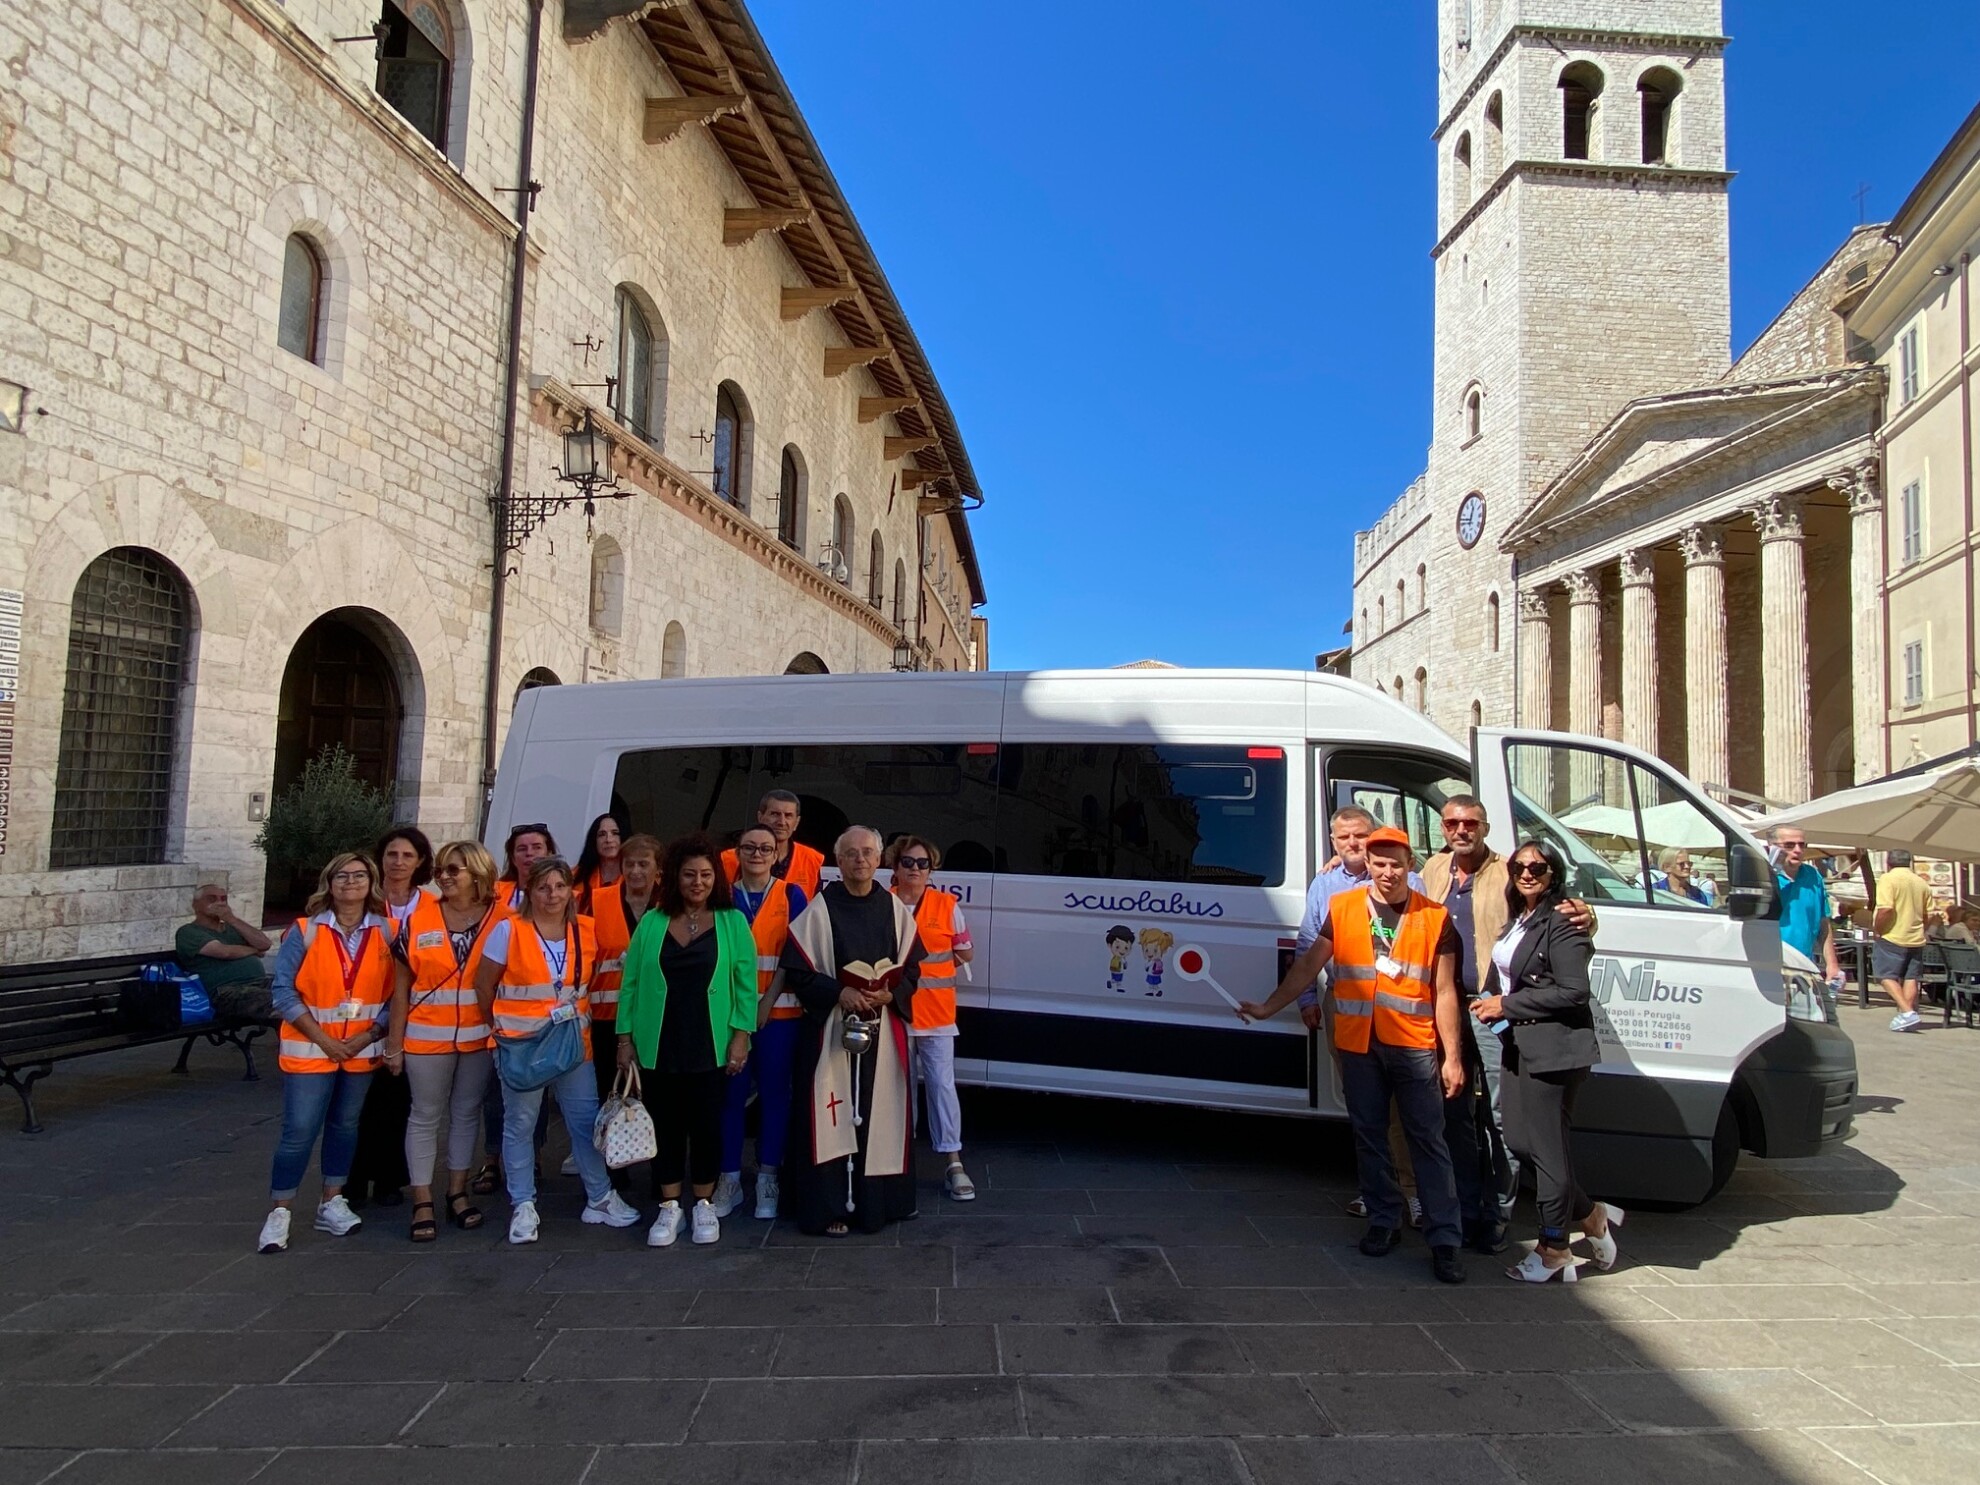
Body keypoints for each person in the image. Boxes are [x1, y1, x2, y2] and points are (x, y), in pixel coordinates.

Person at [1241, 826, 1468, 1285]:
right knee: (1370, 1136)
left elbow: (1445, 991)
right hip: (1359, 1041)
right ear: (1367, 862)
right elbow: (1308, 964)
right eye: (1379, 862)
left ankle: (1445, 1238)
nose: (1387, 872)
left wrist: (1453, 1056)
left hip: (1413, 1043)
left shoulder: (1434, 917)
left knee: (1428, 1141)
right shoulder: (1342, 908)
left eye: (1395, 863)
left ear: (1410, 864)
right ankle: (1384, 1221)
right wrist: (1269, 1007)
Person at [1418, 797, 1598, 1254]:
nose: (1461, 830)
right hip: (1444, 1006)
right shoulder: (1434, 870)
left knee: (1502, 1118)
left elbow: (1554, 913)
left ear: (1485, 827)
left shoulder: (1510, 870)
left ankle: (1497, 1213)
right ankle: (1463, 1210)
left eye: (1470, 823)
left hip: (1495, 1007)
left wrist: (1588, 916)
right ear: (1443, 828)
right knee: (1454, 1109)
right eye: (1452, 822)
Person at [1472, 840, 1622, 1283]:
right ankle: (1592, 1215)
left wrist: (1507, 1005)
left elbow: (1574, 991)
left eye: (1538, 867)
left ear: (1553, 872)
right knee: (1519, 1141)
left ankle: (1555, 1248)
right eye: (1519, 866)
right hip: (1521, 1045)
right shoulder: (1523, 917)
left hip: (1555, 1050)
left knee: (1548, 1152)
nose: (1527, 874)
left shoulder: (1564, 918)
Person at [473, 855, 641, 1244]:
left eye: (560, 886)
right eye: (543, 887)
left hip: (571, 1043)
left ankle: (599, 1197)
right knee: (520, 1124)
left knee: (584, 1122)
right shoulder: (508, 931)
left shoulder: (585, 930)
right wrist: (497, 1028)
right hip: (522, 1045)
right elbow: (484, 986)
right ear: (529, 891)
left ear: (571, 891)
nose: (552, 894)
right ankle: (523, 1205)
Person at [779, 826, 925, 1236]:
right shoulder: (819, 910)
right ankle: (829, 1208)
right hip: (830, 1031)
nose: (860, 860)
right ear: (837, 861)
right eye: (850, 854)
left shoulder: (895, 910)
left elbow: (912, 970)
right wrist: (838, 990)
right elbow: (799, 972)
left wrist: (890, 993)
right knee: (831, 1116)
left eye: (867, 853)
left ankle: (878, 1206)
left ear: (879, 860)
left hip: (881, 1032)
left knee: (881, 1116)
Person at [615, 833, 756, 1247]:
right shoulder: (653, 922)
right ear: (674, 877)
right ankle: (669, 1205)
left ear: (717, 878)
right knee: (666, 1125)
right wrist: (624, 1039)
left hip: (710, 1042)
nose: (698, 882)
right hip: (660, 1040)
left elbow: (745, 984)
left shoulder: (732, 922)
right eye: (690, 874)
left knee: (708, 1125)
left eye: (706, 875)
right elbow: (631, 984)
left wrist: (740, 1036)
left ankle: (705, 1204)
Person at [255, 852, 396, 1255]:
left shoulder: (388, 931)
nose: (350, 882)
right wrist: (325, 1040)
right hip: (311, 1050)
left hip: (360, 1049)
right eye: (342, 876)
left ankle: (331, 1200)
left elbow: (394, 995)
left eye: (359, 875)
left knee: (345, 1126)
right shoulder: (305, 931)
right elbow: (283, 991)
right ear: (328, 883)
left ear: (371, 882)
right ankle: (280, 1210)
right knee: (298, 1131)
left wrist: (368, 1033)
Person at [1294, 806, 1424, 1225]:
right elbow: (1309, 942)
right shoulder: (1326, 883)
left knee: (1403, 1107)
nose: (1352, 843)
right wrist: (1306, 1000)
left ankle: (1412, 1191)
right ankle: (1378, 1191)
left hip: (1400, 1008)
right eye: (1343, 838)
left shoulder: (1408, 879)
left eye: (1360, 836)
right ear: (1333, 842)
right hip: (1345, 1005)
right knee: (1364, 1105)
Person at [385, 839, 503, 1241]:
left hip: (478, 1037)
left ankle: (457, 1191)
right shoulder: (418, 919)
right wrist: (393, 1044)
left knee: (467, 1113)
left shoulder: (503, 919)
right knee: (424, 1116)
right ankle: (421, 1197)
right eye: (440, 870)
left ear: (478, 874)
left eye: (454, 870)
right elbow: (400, 989)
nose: (444, 877)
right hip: (425, 1036)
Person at [715, 823, 810, 1221]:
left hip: (780, 1014)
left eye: (766, 849)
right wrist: (741, 1012)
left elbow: (796, 954)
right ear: (737, 853)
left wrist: (766, 1003)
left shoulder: (792, 894)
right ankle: (730, 1178)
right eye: (749, 847)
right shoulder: (722, 897)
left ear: (776, 855)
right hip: (729, 1016)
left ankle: (768, 1175)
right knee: (730, 1098)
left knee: (775, 1095)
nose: (757, 854)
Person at [886, 834, 977, 1201]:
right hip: (893, 1010)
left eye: (923, 863)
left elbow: (965, 953)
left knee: (941, 1086)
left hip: (936, 1014)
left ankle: (953, 1162)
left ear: (932, 868)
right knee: (896, 1088)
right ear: (895, 867)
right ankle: (897, 1159)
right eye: (908, 862)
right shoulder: (882, 904)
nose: (915, 869)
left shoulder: (946, 905)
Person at [346, 825, 433, 1210]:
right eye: (391, 855)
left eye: (407, 856)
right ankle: (350, 1180)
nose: (398, 863)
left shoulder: (431, 906)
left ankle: (387, 1180)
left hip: (410, 1015)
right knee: (355, 1104)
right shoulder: (363, 899)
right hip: (360, 1013)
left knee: (397, 1101)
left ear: (420, 863)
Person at [476, 822, 558, 1195]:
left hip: (546, 1022)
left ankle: (534, 1160)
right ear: (511, 856)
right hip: (503, 1019)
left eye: (537, 847)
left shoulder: (560, 895)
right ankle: (492, 1160)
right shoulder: (494, 896)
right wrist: (490, 1019)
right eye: (522, 849)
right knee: (497, 1097)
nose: (530, 855)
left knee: (536, 1099)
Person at [578, 832, 660, 1185]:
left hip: (655, 1019)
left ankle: (660, 1172)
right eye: (630, 864)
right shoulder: (597, 901)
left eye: (644, 864)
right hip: (606, 1017)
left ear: (659, 871)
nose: (636, 871)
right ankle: (612, 1175)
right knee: (609, 1098)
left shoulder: (668, 905)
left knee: (655, 1096)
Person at [176, 883, 275, 1020]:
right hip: (226, 992)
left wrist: (232, 919)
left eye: (223, 899)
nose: (219, 903)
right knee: (282, 1002)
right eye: (212, 899)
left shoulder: (233, 927)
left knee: (303, 990)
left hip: (258, 982)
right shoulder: (188, 932)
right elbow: (224, 952)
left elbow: (265, 944)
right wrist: (253, 950)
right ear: (196, 905)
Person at [1771, 827, 1843, 993]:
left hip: (1804, 966)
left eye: (1802, 845)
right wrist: (1771, 873)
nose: (1797, 850)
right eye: (1789, 845)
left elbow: (1823, 922)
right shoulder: (1763, 876)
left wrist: (1832, 965)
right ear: (1773, 847)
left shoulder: (1813, 876)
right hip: (1771, 967)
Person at [1874, 848, 1936, 1033]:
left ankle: (1908, 1012)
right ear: (1910, 862)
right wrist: (1921, 928)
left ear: (1888, 862)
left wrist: (1878, 929)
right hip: (1915, 937)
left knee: (1885, 976)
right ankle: (1905, 1017)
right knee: (1911, 978)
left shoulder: (1888, 879)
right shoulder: (1921, 883)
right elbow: (1929, 914)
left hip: (1893, 934)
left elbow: (1886, 909)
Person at [720, 790, 824, 897]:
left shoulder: (813, 861)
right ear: (760, 817)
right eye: (775, 814)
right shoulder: (728, 859)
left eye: (788, 816)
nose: (781, 822)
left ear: (796, 822)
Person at [575, 812, 628, 912]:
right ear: (594, 841)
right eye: (602, 835)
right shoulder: (575, 876)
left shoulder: (635, 876)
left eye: (615, 833)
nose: (608, 839)